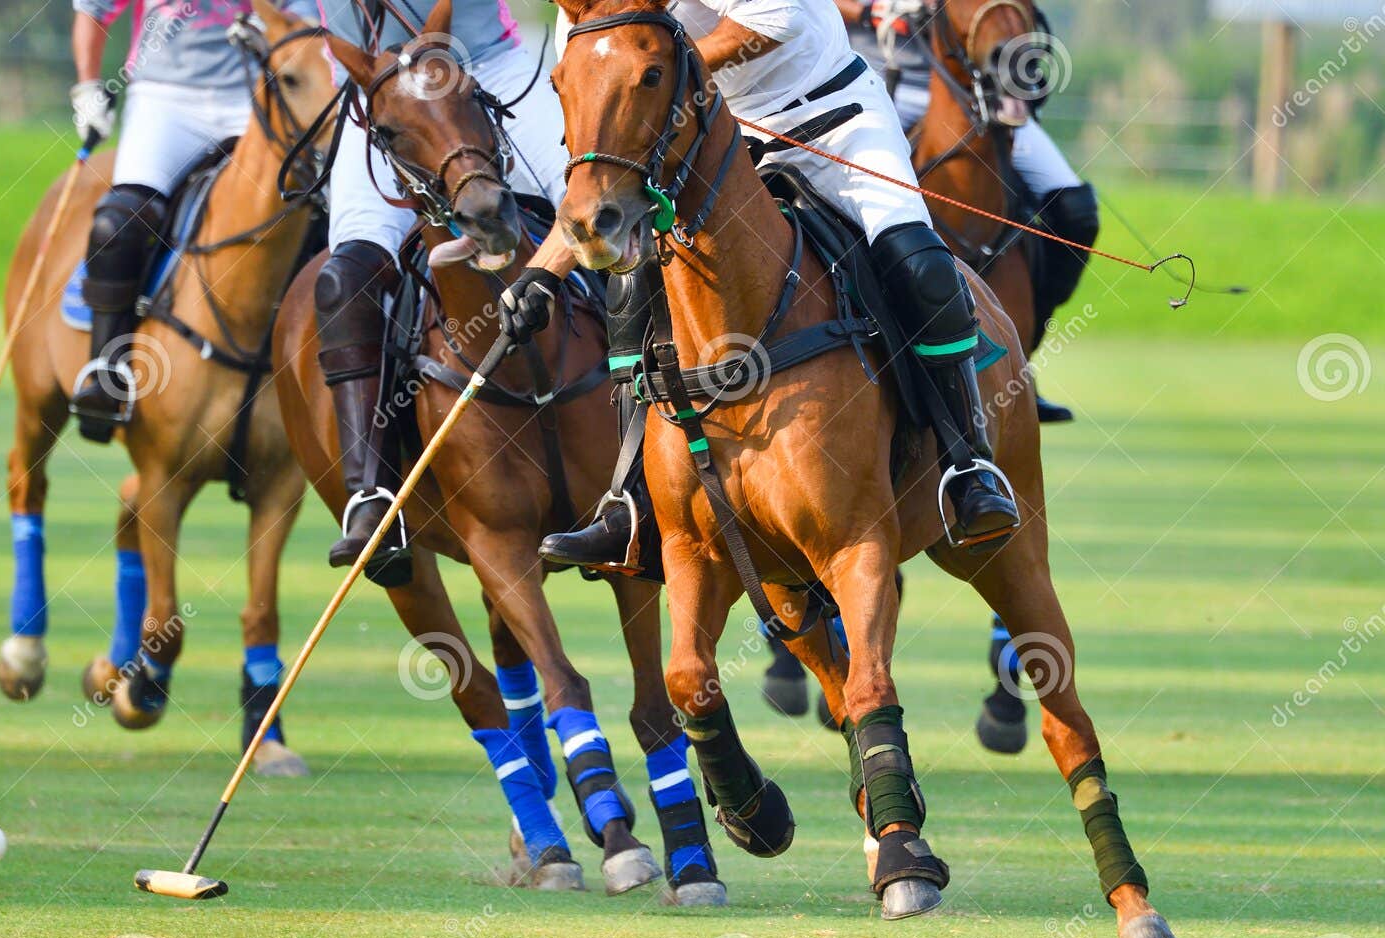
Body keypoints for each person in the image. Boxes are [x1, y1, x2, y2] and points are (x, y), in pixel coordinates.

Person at [502, 0, 1020, 569]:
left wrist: (670, 67)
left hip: (836, 118)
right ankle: (630, 503)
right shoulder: (582, 15)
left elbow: (778, 19)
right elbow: (603, 141)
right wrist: (539, 276)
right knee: (630, 287)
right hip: (718, 140)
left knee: (919, 264)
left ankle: (968, 465)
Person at [311, 0, 569, 571]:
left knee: (601, 217)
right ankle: (370, 494)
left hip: (486, 71)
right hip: (381, 98)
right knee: (344, 279)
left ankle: (662, 439)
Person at [66, 0, 320, 443]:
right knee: (119, 223)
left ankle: (323, 376)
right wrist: (88, 88)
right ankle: (106, 372)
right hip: (165, 103)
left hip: (252, 98)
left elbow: (304, 21)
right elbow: (93, 11)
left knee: (314, 223)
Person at [844, 0, 1099, 420]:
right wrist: (870, 8)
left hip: (971, 91)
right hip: (870, 87)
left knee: (1075, 209)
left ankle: (1021, 362)